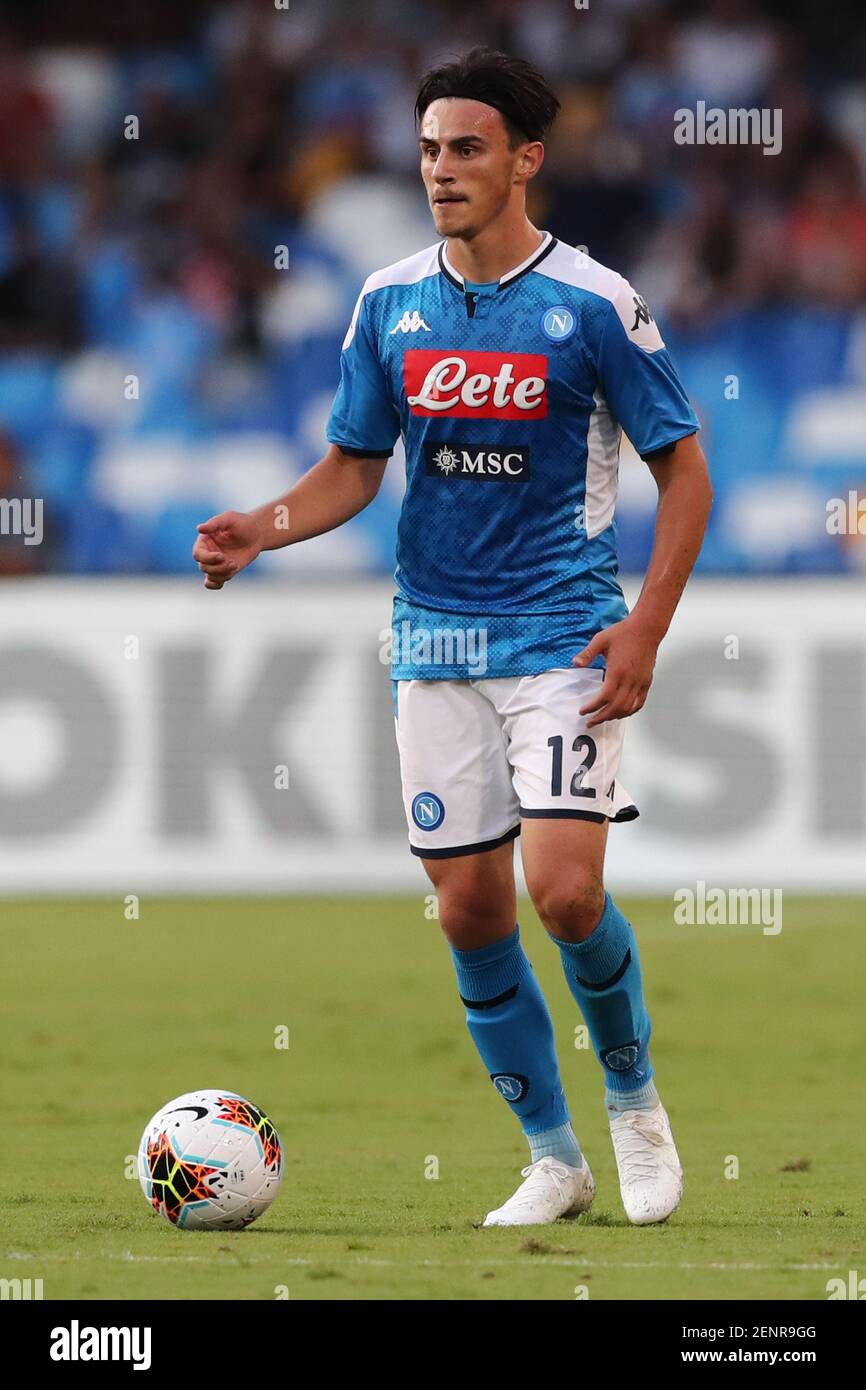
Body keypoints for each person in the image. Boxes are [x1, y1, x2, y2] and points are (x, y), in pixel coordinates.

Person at [192, 47, 713, 1228]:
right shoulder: (387, 303)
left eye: (466, 147)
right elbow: (351, 467)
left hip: (564, 638)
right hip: (433, 642)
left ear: (526, 158)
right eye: (428, 149)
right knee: (470, 912)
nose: (441, 169)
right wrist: (261, 528)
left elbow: (684, 477)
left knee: (564, 893)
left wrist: (644, 626)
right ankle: (553, 1157)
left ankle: (633, 1109)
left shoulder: (593, 303)